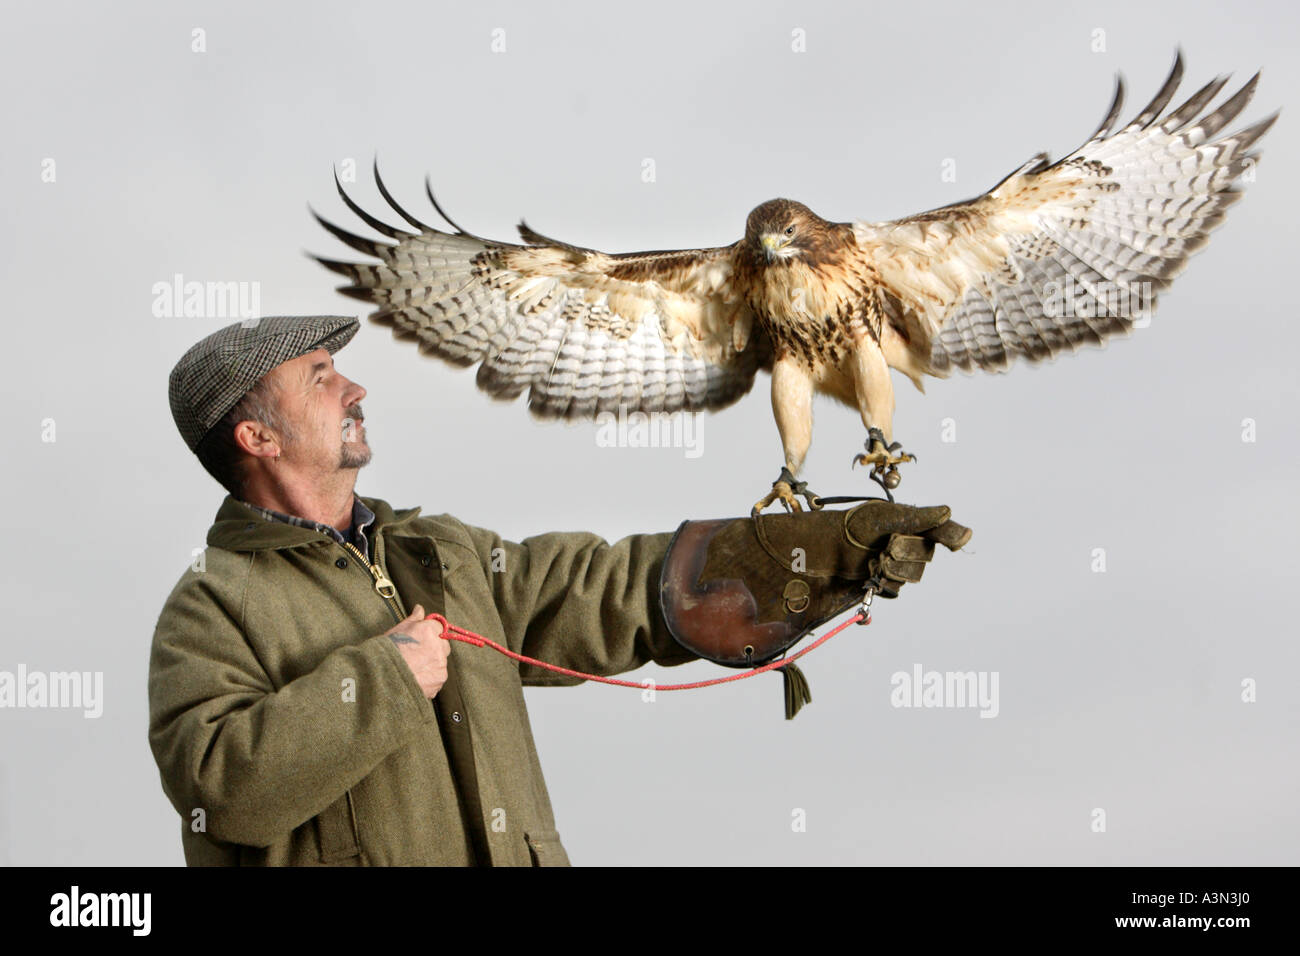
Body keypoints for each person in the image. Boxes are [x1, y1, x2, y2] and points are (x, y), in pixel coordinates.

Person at [149, 315, 956, 866]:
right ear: (256, 436)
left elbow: (603, 589)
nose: (355, 390)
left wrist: (802, 559)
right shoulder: (213, 606)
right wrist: (383, 680)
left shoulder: (445, 554)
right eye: (322, 378)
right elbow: (221, 791)